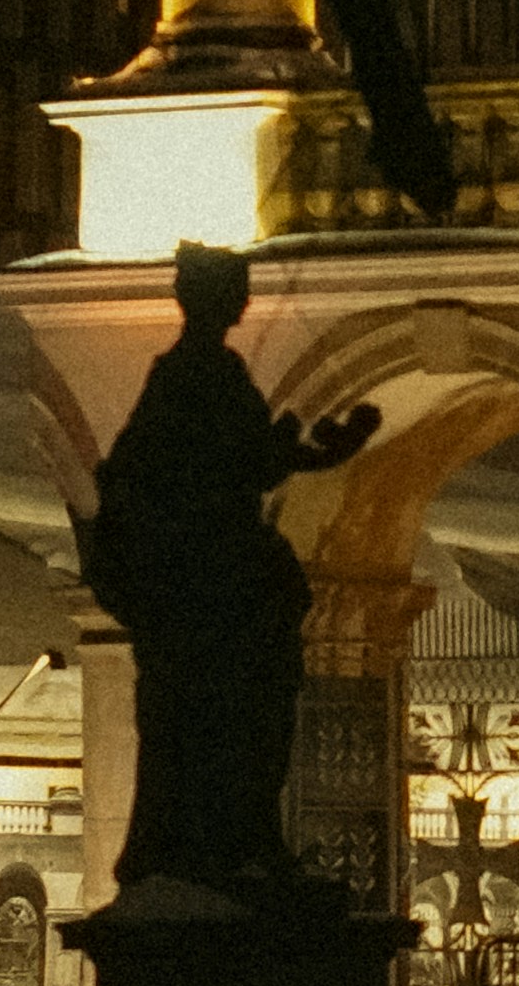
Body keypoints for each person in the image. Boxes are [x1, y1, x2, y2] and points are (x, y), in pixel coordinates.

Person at [79, 243, 377, 897]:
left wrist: (299, 451)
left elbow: (243, 459)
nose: (240, 301)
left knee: (247, 718)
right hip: (210, 586)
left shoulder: (205, 372)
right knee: (231, 719)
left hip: (222, 582)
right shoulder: (191, 374)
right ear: (215, 298)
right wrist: (289, 452)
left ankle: (243, 839)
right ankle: (226, 843)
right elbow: (199, 466)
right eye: (234, 288)